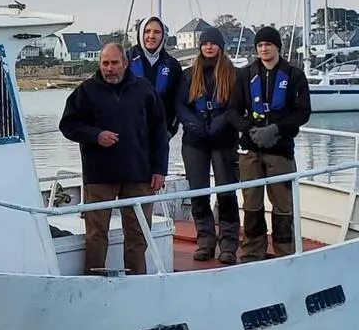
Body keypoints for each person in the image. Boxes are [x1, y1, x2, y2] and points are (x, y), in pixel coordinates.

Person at [59, 42, 169, 275]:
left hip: (139, 175)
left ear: (125, 63)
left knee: (137, 234)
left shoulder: (144, 89)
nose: (109, 68)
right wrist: (95, 135)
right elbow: (68, 125)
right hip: (99, 176)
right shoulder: (86, 91)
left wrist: (160, 169)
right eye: (105, 63)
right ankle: (94, 282)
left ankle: (137, 281)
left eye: (114, 63)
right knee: (96, 234)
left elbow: (160, 132)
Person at [227, 26, 311, 262]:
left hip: (280, 149)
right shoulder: (245, 75)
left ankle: (285, 252)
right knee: (251, 203)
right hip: (250, 149)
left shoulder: (294, 75)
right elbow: (232, 111)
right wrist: (249, 129)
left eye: (268, 45)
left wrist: (277, 129)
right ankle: (253, 251)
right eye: (260, 45)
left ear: (278, 47)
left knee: (283, 205)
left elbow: (303, 111)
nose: (264, 49)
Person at [174, 27, 241, 265]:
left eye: (213, 43)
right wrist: (194, 125)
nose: (209, 47)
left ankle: (229, 244)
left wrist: (221, 123)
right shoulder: (189, 75)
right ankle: (205, 241)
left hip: (224, 140)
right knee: (198, 193)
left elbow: (236, 104)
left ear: (220, 47)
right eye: (205, 43)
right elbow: (180, 105)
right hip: (196, 141)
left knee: (227, 193)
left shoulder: (234, 74)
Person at [128, 16, 183, 137]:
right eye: (147, 31)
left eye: (157, 32)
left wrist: (170, 131)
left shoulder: (173, 65)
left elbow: (178, 102)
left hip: (159, 135)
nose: (152, 36)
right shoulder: (126, 60)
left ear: (163, 36)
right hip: (128, 134)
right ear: (140, 34)